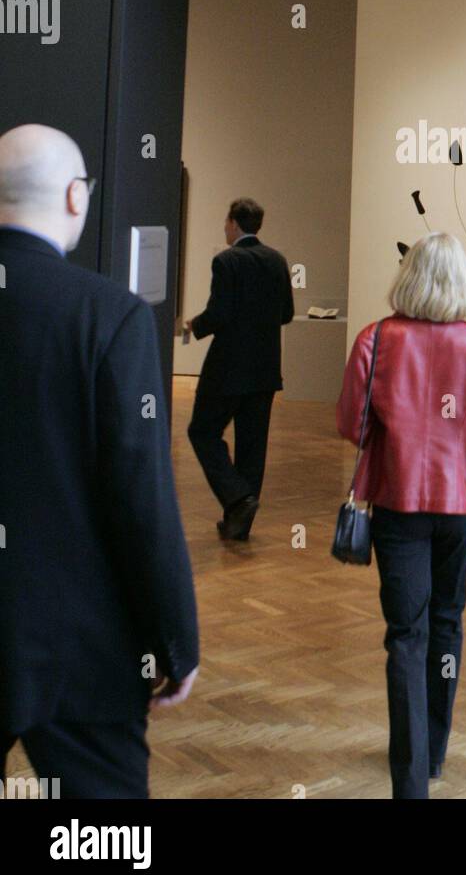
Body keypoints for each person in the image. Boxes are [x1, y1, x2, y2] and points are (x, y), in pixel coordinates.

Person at [0, 124, 199, 798]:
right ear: (75, 197)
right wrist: (176, 640)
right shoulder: (109, 316)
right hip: (78, 646)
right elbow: (140, 497)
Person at [336, 232, 466, 799]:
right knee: (448, 620)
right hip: (462, 506)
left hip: (397, 502)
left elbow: (351, 425)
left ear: (408, 277)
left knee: (406, 635)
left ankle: (410, 777)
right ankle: (436, 749)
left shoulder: (377, 339)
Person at [186, 197, 294, 540]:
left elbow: (219, 314)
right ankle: (239, 522)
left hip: (227, 368)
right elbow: (287, 314)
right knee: (253, 446)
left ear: (234, 223)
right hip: (264, 370)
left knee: (202, 432)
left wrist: (194, 325)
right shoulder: (277, 261)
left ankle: (237, 497)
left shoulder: (226, 261)